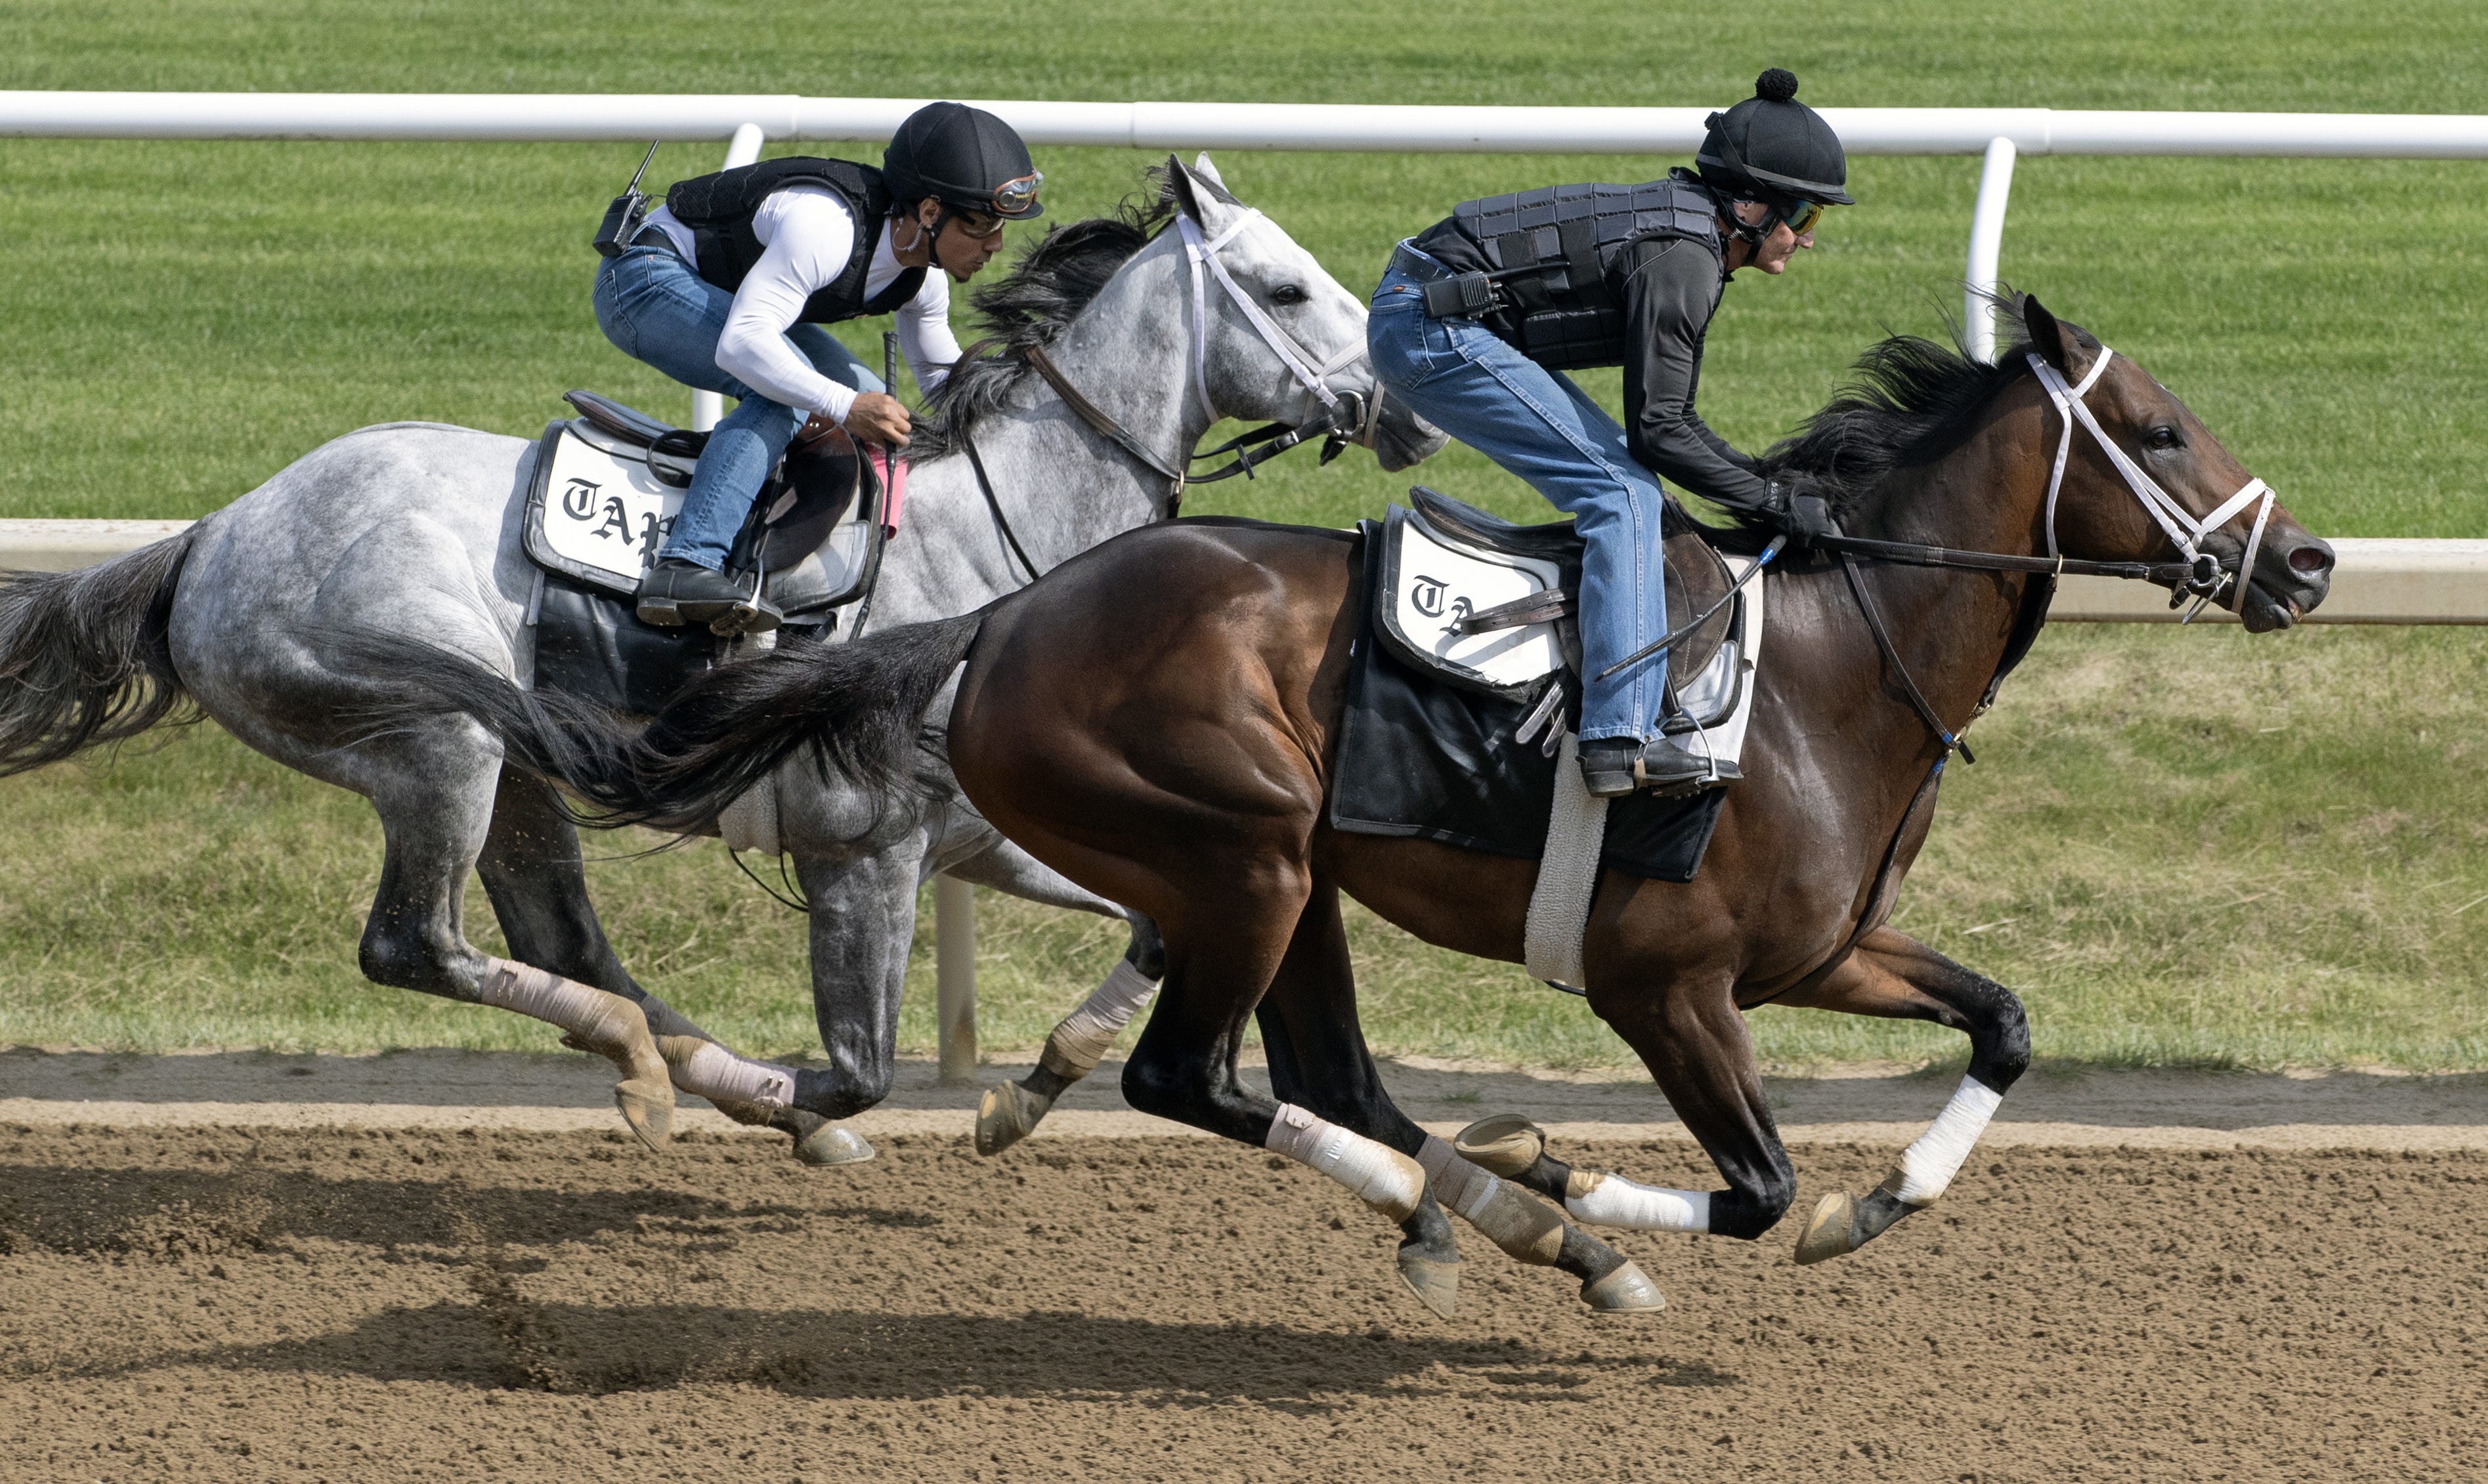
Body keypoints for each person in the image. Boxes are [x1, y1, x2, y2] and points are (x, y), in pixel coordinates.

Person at [1366, 69, 1849, 797]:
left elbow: (1669, 424)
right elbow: (1659, 431)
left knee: (1631, 486)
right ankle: (1619, 740)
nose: (1807, 240)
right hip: (1428, 326)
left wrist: (1769, 488)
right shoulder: (1683, 261)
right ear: (1749, 206)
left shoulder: (1690, 239)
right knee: (1619, 494)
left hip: (1438, 309)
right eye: (1804, 217)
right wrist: (1773, 501)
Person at [593, 102, 1044, 631]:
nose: (996, 244)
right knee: (782, 393)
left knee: (884, 412)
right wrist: (843, 405)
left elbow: (944, 384)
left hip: (726, 296)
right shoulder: (824, 227)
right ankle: (687, 564)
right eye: (983, 224)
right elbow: (743, 344)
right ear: (928, 211)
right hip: (642, 280)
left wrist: (1022, 419)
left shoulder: (926, 277)